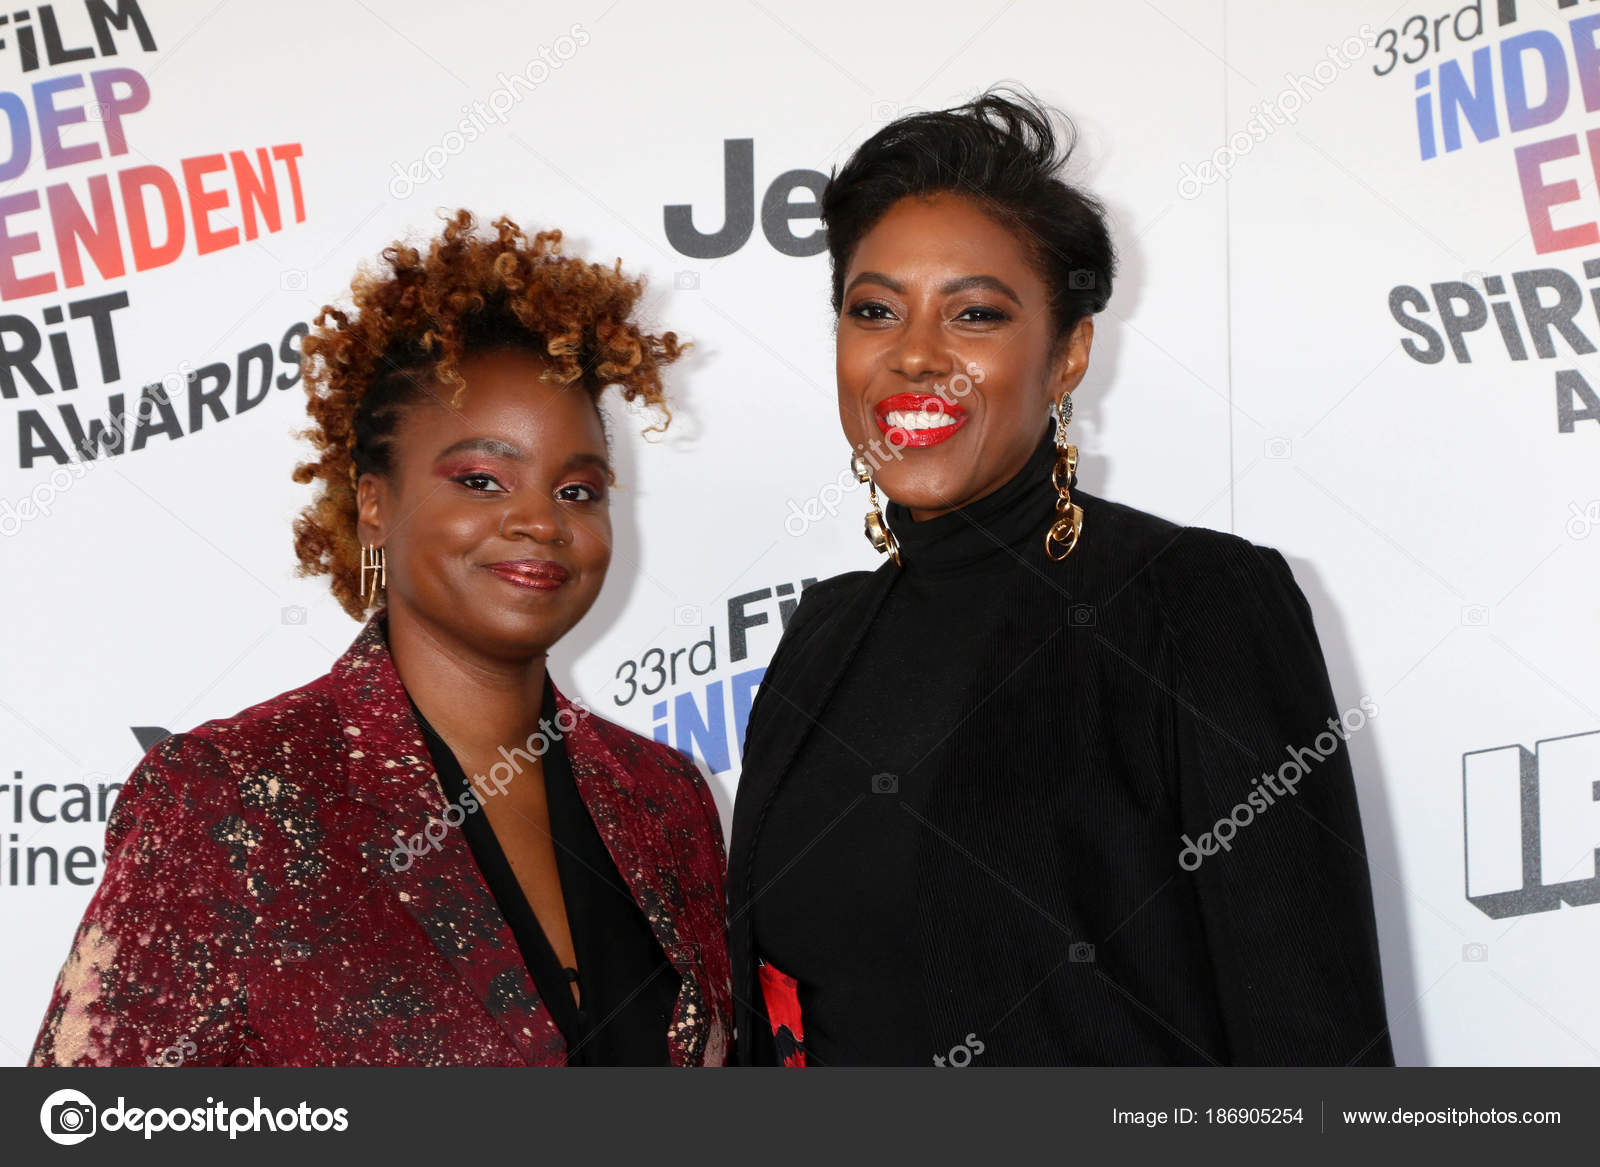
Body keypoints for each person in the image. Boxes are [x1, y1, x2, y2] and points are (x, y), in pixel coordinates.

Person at [728, 91, 1393, 1067]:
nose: (915, 354)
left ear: (1067, 354)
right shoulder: (820, 636)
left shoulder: (1190, 602)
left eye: (975, 313)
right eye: (874, 310)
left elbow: (1311, 1041)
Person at [30, 210, 731, 1067]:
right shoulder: (230, 801)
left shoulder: (663, 798)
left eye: (578, 491)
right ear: (373, 503)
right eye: (482, 479)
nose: (540, 522)